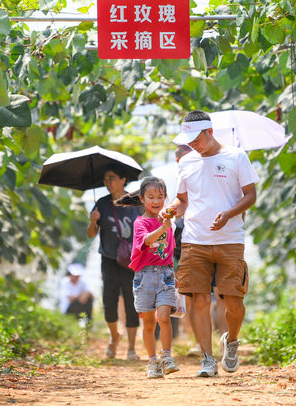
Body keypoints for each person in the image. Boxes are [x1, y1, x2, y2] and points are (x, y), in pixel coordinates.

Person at [171, 111, 258, 377]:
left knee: (233, 300)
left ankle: (231, 341)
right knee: (198, 299)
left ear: (210, 132)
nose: (193, 145)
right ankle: (207, 359)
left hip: (230, 240)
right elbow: (183, 200)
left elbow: (251, 195)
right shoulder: (186, 162)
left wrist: (229, 214)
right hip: (194, 240)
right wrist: (171, 209)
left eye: (197, 139)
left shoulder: (236, 157)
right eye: (189, 140)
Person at [87, 168, 141, 360]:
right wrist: (93, 222)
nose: (108, 182)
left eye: (112, 178)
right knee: (109, 303)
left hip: (132, 262)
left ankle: (132, 348)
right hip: (109, 259)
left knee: (131, 303)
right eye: (105, 179)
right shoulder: (102, 203)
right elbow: (91, 234)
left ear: (123, 179)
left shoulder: (136, 203)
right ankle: (114, 336)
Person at [130, 176, 179, 378]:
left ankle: (167, 356)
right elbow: (147, 242)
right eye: (151, 197)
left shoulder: (168, 221)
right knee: (149, 323)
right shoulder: (140, 222)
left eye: (160, 196)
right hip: (144, 277)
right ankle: (152, 361)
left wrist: (175, 274)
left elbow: (171, 251)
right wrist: (163, 228)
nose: (156, 201)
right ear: (142, 198)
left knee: (164, 317)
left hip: (165, 274)